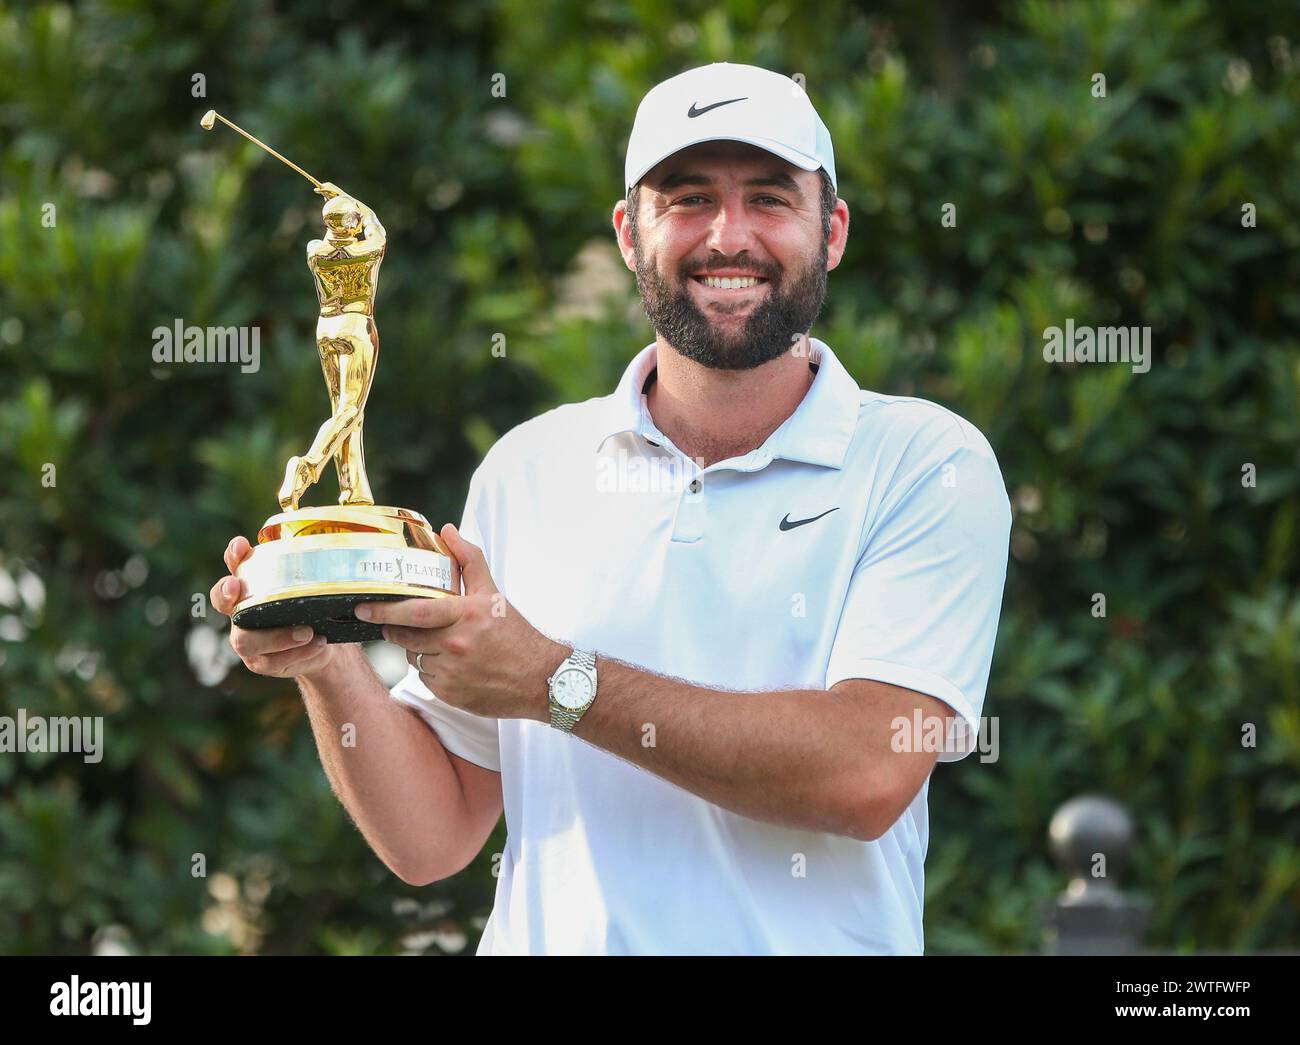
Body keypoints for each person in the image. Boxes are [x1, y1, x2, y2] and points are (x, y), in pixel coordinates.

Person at [211, 62, 1012, 955]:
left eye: (770, 198)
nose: (729, 235)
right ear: (631, 234)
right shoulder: (530, 466)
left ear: (832, 232)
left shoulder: (924, 461)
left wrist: (555, 681)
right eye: (689, 198)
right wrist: (325, 660)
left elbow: (866, 772)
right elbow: (434, 836)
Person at [278, 182, 385, 510]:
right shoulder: (368, 250)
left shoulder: (315, 251)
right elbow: (377, 226)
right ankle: (307, 466)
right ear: (353, 224)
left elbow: (336, 234)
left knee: (347, 416)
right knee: (350, 411)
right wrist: (349, 198)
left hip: (326, 329)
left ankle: (353, 492)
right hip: (355, 328)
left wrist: (338, 204)